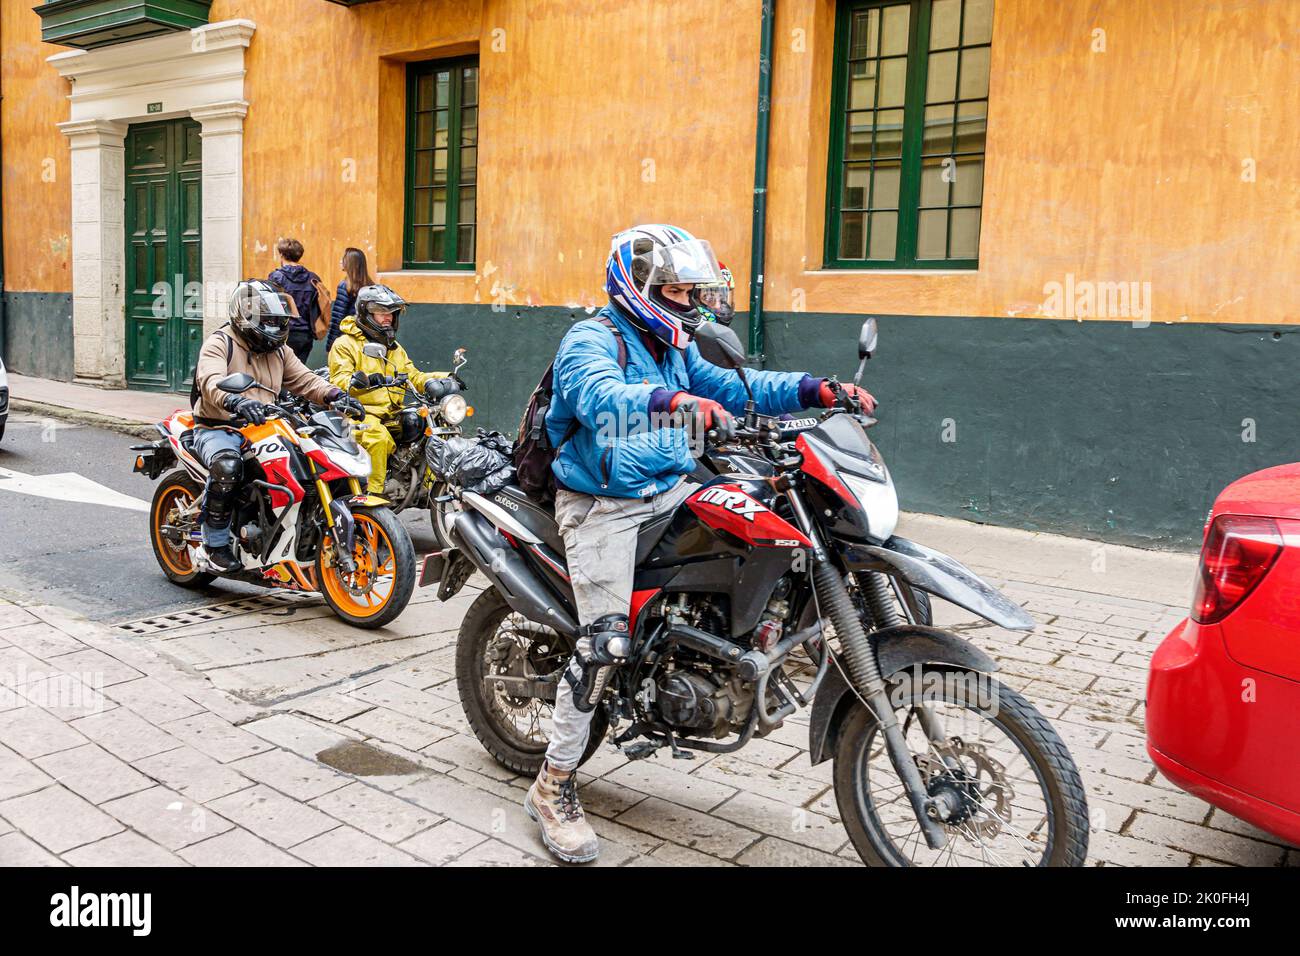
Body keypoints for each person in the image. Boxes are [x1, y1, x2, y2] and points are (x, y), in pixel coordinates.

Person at [525, 224, 875, 864]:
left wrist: (817, 390)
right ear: (638, 288)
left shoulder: (671, 345)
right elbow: (603, 400)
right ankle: (553, 786)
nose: (688, 301)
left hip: (667, 486)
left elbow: (737, 388)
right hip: (601, 506)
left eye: (692, 290)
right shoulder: (591, 340)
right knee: (604, 643)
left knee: (770, 537)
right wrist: (673, 401)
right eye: (677, 290)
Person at [191, 280, 363, 572]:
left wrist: (337, 396)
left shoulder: (280, 350)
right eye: (267, 321)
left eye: (278, 322)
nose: (274, 327)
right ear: (245, 316)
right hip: (220, 426)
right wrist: (235, 402)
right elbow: (210, 382)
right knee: (228, 467)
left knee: (312, 460)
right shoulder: (221, 342)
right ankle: (214, 546)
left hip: (267, 425)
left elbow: (306, 380)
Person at [327, 284, 459, 496]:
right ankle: (374, 497)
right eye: (381, 312)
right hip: (358, 413)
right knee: (377, 439)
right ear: (366, 313)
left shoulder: (394, 349)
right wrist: (367, 381)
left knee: (428, 428)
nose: (387, 317)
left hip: (391, 413)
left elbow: (413, 376)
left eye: (391, 313)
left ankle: (424, 489)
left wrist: (443, 379)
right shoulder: (345, 344)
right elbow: (339, 381)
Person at [268, 237, 328, 364]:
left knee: (281, 371)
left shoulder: (276, 277)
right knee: (299, 373)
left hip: (283, 333)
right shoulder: (313, 278)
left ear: (282, 255)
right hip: (305, 335)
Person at [328, 247, 375, 353]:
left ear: (350, 263)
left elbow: (338, 317)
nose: (340, 261)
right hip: (366, 338)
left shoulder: (344, 286)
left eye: (343, 259)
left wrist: (330, 344)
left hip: (347, 337)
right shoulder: (371, 286)